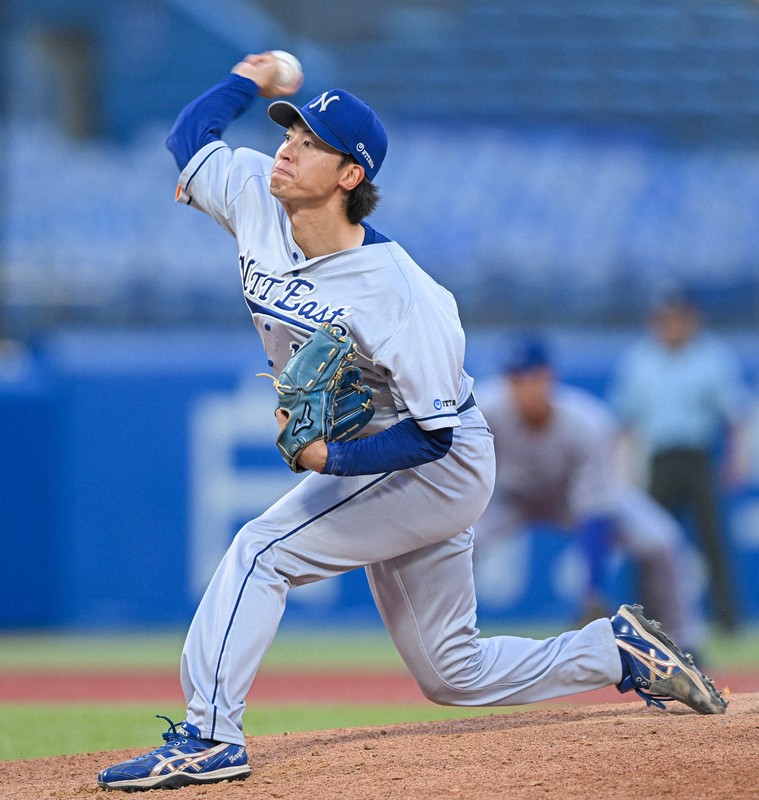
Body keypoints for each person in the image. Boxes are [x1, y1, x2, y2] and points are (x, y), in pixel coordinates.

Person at [97, 53, 726, 792]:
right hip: (386, 454)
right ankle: (616, 652)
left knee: (262, 552)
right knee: (450, 673)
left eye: (308, 142)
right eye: (288, 132)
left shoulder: (405, 296)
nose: (286, 148)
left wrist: (328, 458)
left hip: (437, 466)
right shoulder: (254, 197)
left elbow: (433, 435)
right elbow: (190, 138)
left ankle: (209, 736)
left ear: (348, 177)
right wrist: (248, 79)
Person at [474, 334, 704, 654]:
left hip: (569, 499)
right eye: (513, 378)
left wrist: (592, 592)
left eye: (529, 377)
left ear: (548, 378)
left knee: (661, 541)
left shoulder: (587, 422)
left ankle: (686, 642)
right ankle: (448, 640)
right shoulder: (483, 409)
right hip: (509, 501)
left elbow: (595, 510)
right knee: (459, 541)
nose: (520, 387)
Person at [611, 287, 751, 632]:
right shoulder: (640, 359)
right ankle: (644, 622)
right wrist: (625, 468)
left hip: (698, 456)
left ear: (691, 319)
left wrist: (735, 460)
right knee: (647, 541)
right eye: (665, 319)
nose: (671, 325)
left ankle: (727, 621)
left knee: (713, 541)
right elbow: (626, 423)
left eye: (678, 317)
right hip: (658, 459)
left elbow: (734, 416)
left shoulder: (712, 356)